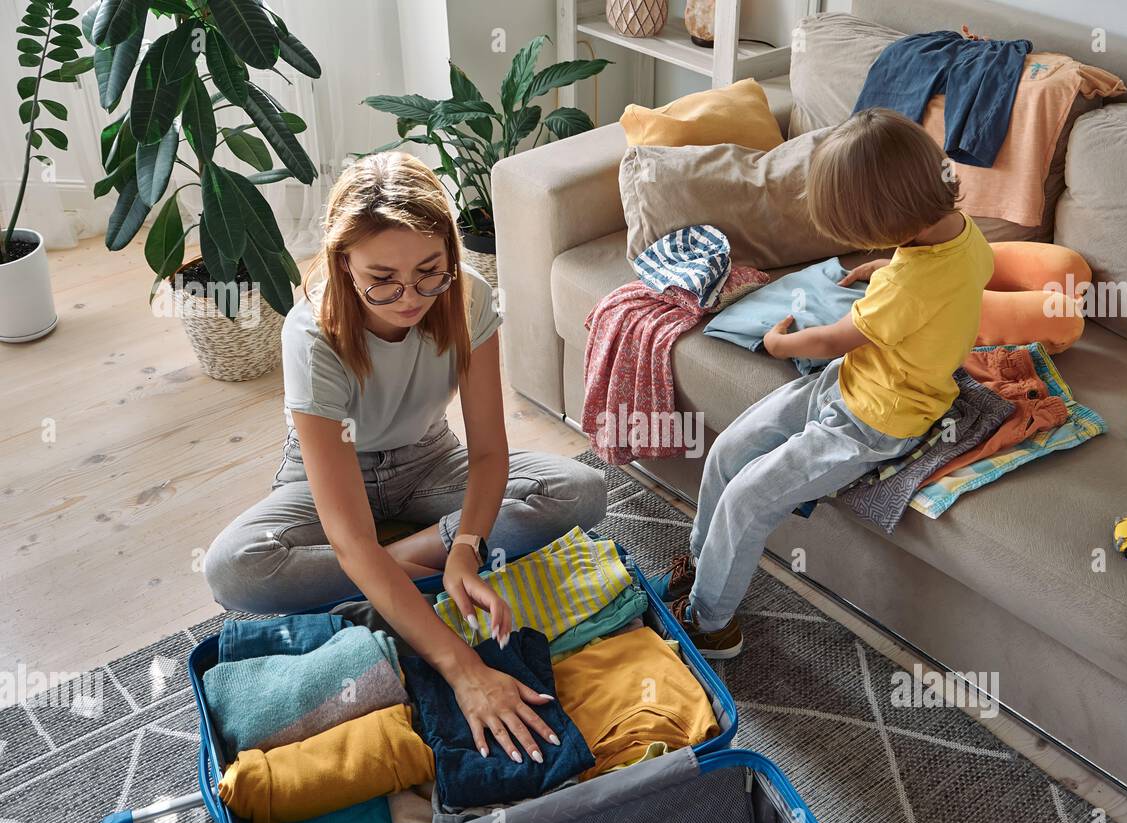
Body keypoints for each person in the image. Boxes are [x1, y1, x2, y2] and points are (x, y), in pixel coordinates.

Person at [203, 151, 607, 761]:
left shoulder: (467, 298)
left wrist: (466, 549)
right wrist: (464, 670)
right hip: (334, 471)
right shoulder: (311, 334)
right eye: (382, 278)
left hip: (428, 458)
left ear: (448, 252)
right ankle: (396, 564)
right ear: (344, 263)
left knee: (580, 491)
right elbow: (347, 537)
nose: (408, 296)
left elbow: (492, 451)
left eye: (428, 271)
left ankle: (395, 567)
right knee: (234, 570)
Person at [659, 107, 994, 658]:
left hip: (876, 422)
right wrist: (886, 265)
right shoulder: (959, 235)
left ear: (898, 220)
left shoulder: (909, 285)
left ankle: (710, 624)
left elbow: (831, 339)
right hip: (850, 383)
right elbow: (931, 275)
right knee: (728, 450)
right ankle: (700, 567)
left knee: (748, 499)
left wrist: (778, 344)